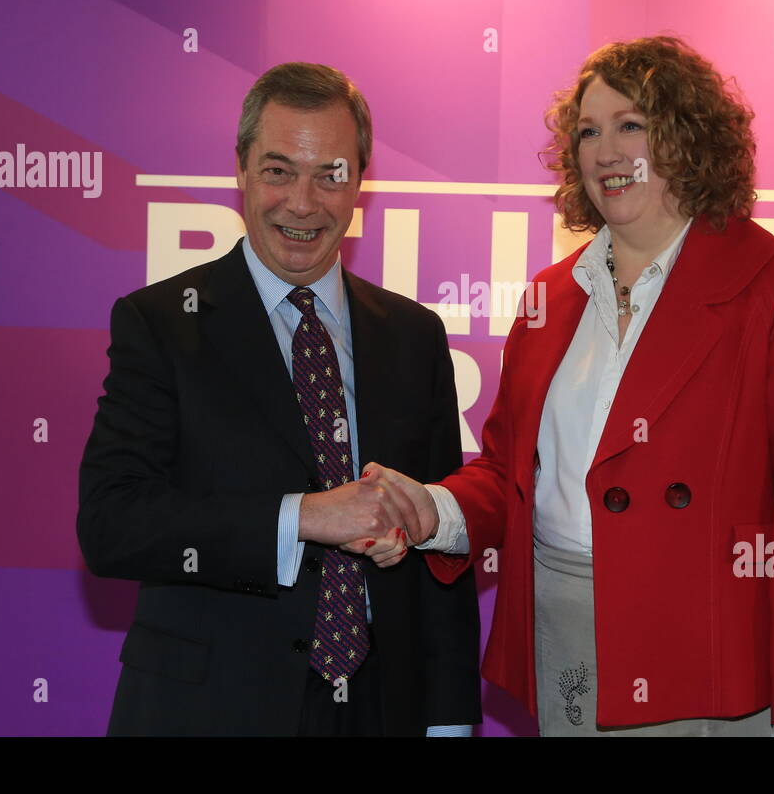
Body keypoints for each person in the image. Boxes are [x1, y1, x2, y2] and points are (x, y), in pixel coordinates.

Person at [362, 36, 774, 736]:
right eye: (588, 132)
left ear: (687, 137)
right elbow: (510, 474)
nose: (604, 152)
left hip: (710, 670)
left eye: (631, 125)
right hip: (564, 642)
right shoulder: (548, 300)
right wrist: (433, 511)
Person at [77, 62, 481, 736]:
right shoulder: (162, 323)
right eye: (278, 171)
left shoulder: (415, 336)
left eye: (331, 174)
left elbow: (437, 551)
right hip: (209, 711)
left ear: (360, 182)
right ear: (240, 171)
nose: (303, 202)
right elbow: (112, 526)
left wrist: (448, 722)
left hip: (381, 710)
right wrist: (302, 518)